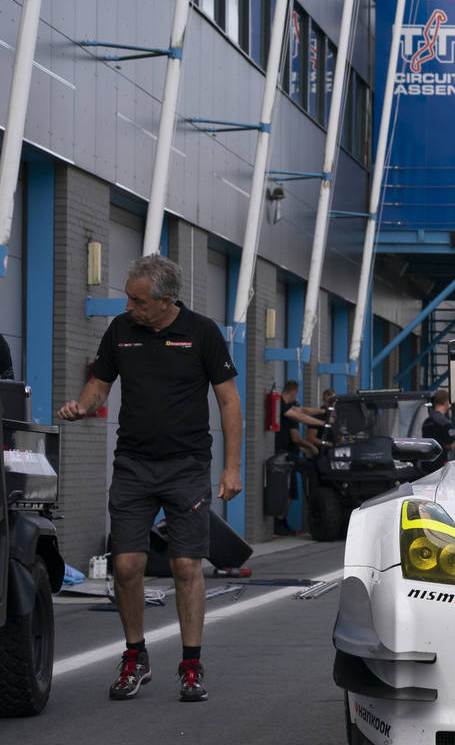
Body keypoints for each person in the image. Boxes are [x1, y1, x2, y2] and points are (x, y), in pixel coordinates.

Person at [57, 255, 242, 703]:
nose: (129, 306)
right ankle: (135, 656)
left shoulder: (203, 334)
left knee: (185, 565)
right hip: (134, 465)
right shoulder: (121, 331)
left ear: (164, 300)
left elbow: (229, 403)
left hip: (187, 465)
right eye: (128, 297)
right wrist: (83, 405)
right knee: (125, 565)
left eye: (137, 300)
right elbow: (99, 384)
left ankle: (191, 664)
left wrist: (232, 466)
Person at [271, 380, 325, 536]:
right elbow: (301, 417)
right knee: (306, 470)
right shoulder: (283, 407)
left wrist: (322, 412)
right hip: (283, 454)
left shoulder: (288, 405)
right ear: (294, 392)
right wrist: (323, 424)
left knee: (291, 488)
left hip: (287, 453)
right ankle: (280, 521)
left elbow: (303, 411)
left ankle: (281, 521)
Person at [421, 388, 455, 460]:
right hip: (440, 464)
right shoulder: (445, 423)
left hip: (426, 463)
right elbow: (453, 446)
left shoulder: (426, 421)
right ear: (447, 403)